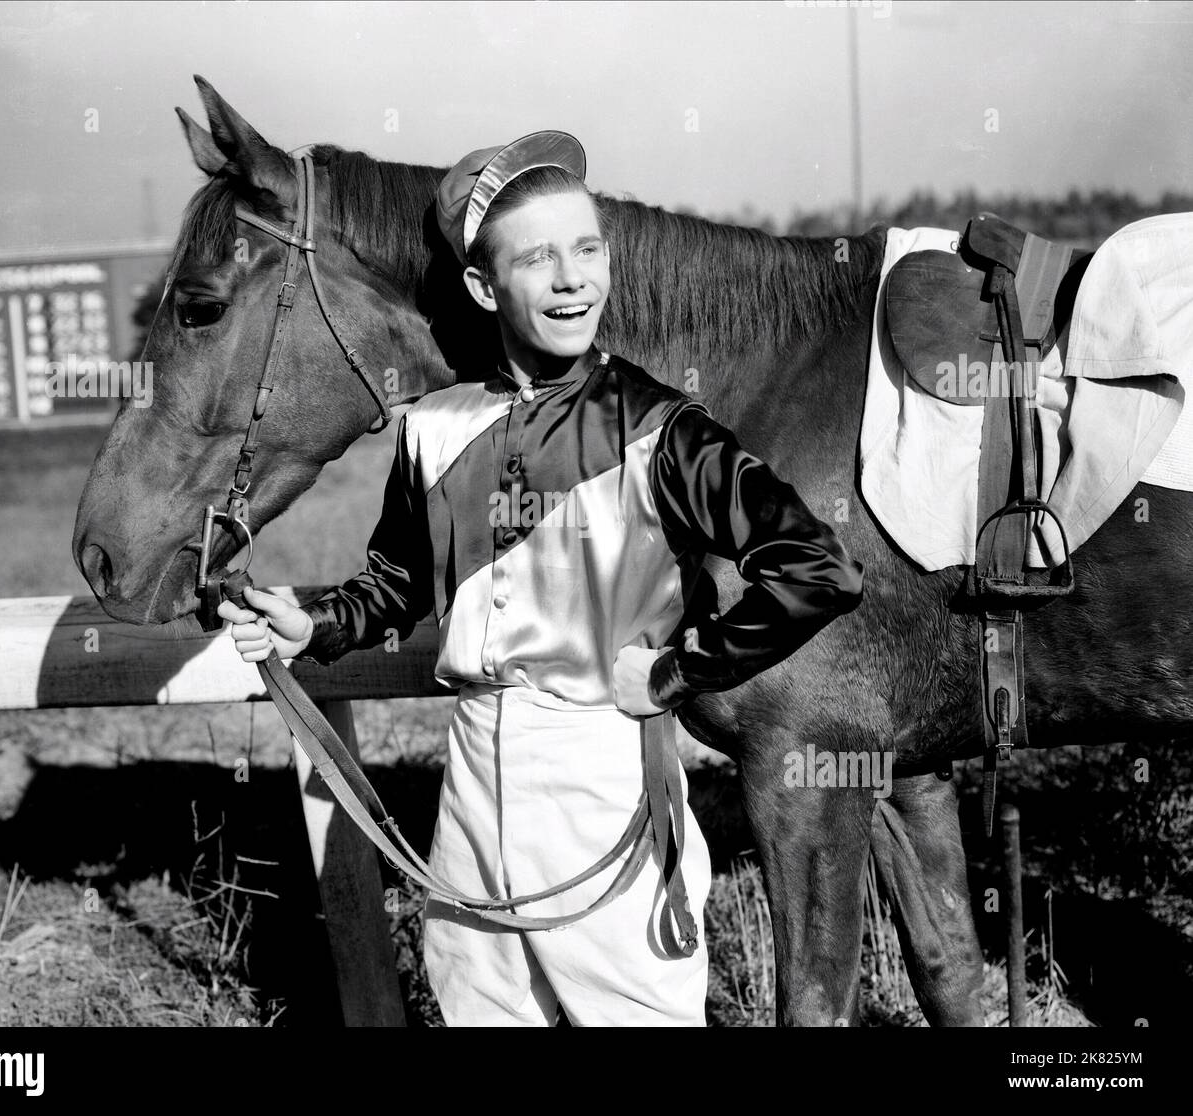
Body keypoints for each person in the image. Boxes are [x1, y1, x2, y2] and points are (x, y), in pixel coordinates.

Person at [217, 131, 865, 1026]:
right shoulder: (431, 428)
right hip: (471, 782)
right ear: (486, 287)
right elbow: (400, 583)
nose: (574, 280)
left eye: (588, 250)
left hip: (604, 776)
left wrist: (680, 672)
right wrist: (316, 623)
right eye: (540, 258)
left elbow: (818, 570)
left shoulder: (663, 429)